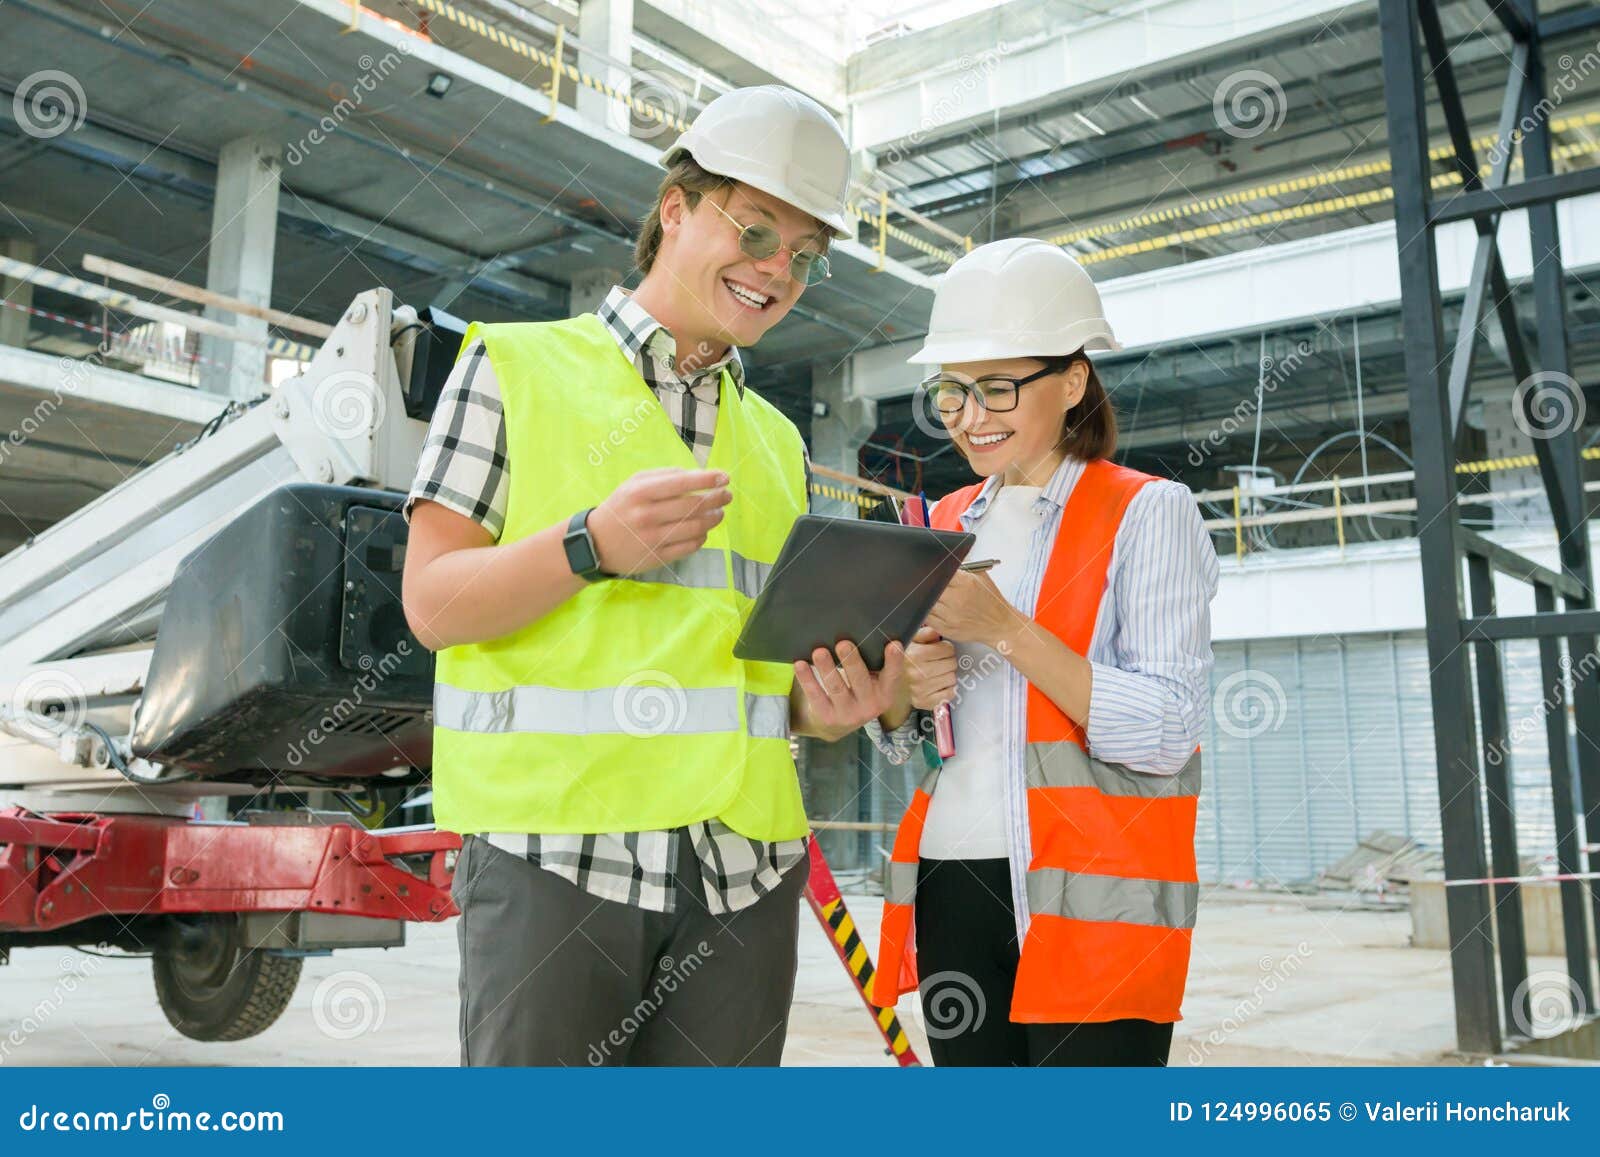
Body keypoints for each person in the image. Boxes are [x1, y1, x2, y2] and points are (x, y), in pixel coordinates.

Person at [401, 85, 905, 1067]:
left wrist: (828, 704)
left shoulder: (777, 441)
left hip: (744, 872)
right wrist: (588, 543)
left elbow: (747, 676)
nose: (777, 272)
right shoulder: (510, 367)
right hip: (559, 859)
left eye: (802, 257)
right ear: (674, 209)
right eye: (755, 232)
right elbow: (432, 603)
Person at [864, 238, 1218, 1067]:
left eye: (997, 388)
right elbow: (901, 731)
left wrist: (1007, 630)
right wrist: (905, 692)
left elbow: (1167, 730)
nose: (969, 415)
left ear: (1072, 380)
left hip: (1096, 894)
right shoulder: (940, 520)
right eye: (951, 390)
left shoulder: (1147, 512)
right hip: (955, 874)